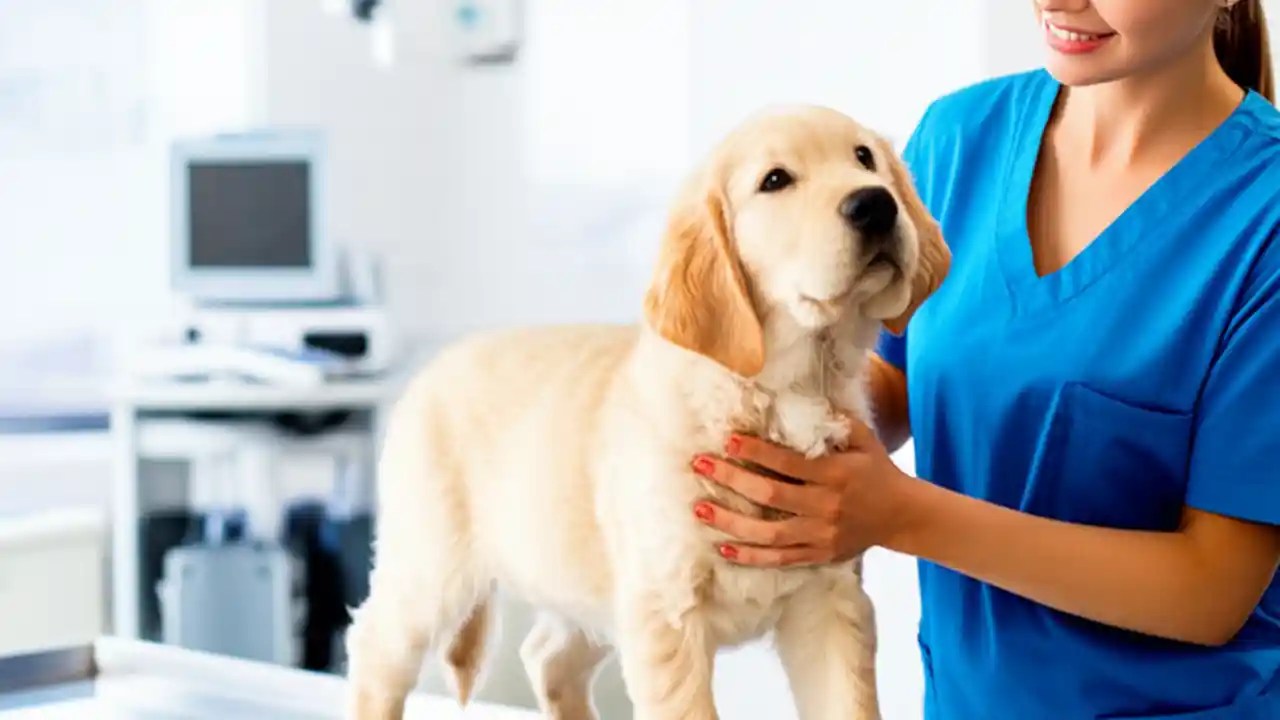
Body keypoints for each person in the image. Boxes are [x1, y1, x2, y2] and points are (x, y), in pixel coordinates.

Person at [686, 1, 1280, 717]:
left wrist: (898, 515)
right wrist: (751, 434)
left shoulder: (1263, 218)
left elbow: (1213, 590)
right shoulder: (957, 139)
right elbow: (900, 384)